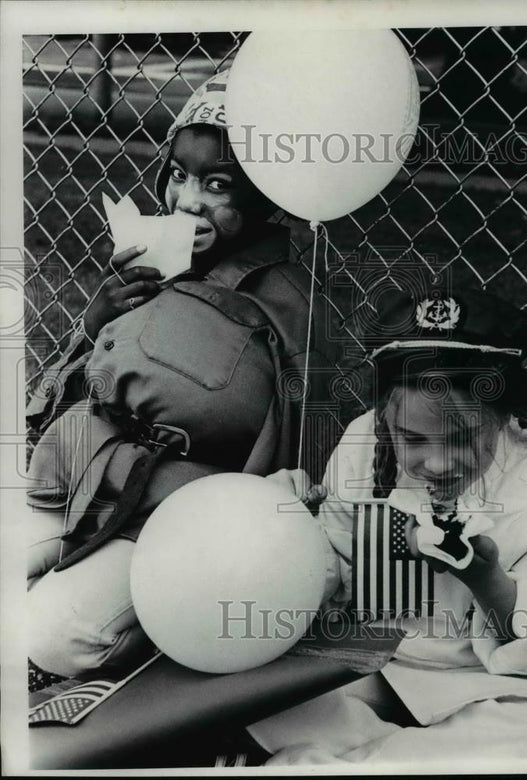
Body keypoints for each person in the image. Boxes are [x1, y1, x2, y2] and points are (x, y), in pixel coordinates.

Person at [26, 69, 338, 679]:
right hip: (81, 476)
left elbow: (309, 434)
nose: (188, 199)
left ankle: (157, 646)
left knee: (54, 635)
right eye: (178, 174)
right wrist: (96, 323)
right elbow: (63, 397)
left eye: (217, 185)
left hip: (173, 517)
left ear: (268, 198)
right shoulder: (153, 265)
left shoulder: (291, 302)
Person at [248, 287, 527, 763]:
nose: (436, 462)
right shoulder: (363, 442)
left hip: (475, 684)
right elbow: (330, 573)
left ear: (503, 413)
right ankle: (389, 758)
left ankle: (313, 763)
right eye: (411, 437)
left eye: (463, 437)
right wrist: (284, 531)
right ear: (385, 411)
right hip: (355, 664)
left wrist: (487, 580)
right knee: (251, 682)